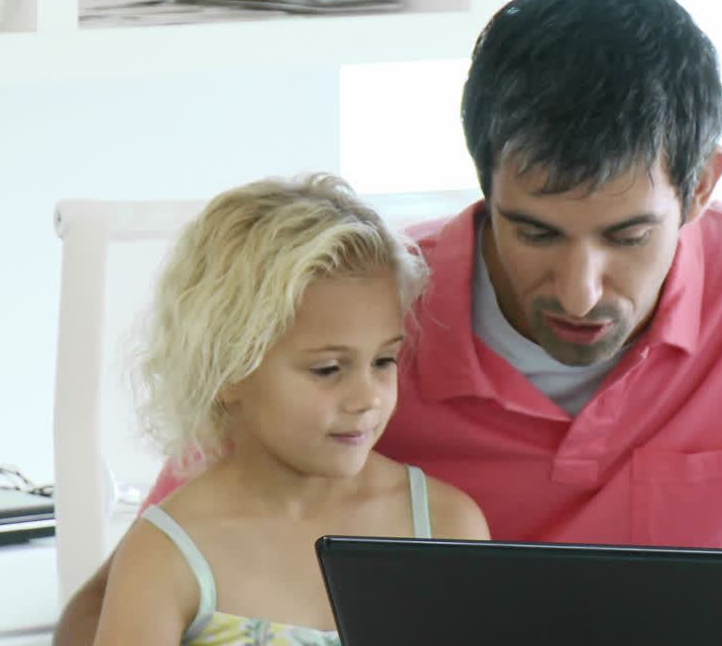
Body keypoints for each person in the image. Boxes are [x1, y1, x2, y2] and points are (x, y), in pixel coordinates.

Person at [60, 0, 722, 646]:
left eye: (626, 237)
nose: (578, 293)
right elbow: (118, 596)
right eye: (532, 232)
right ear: (480, 184)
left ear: (701, 187)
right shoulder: (356, 315)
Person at [88, 175, 489, 645]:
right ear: (228, 370)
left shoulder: (444, 527)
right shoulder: (167, 555)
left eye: (383, 361)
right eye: (328, 369)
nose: (367, 398)